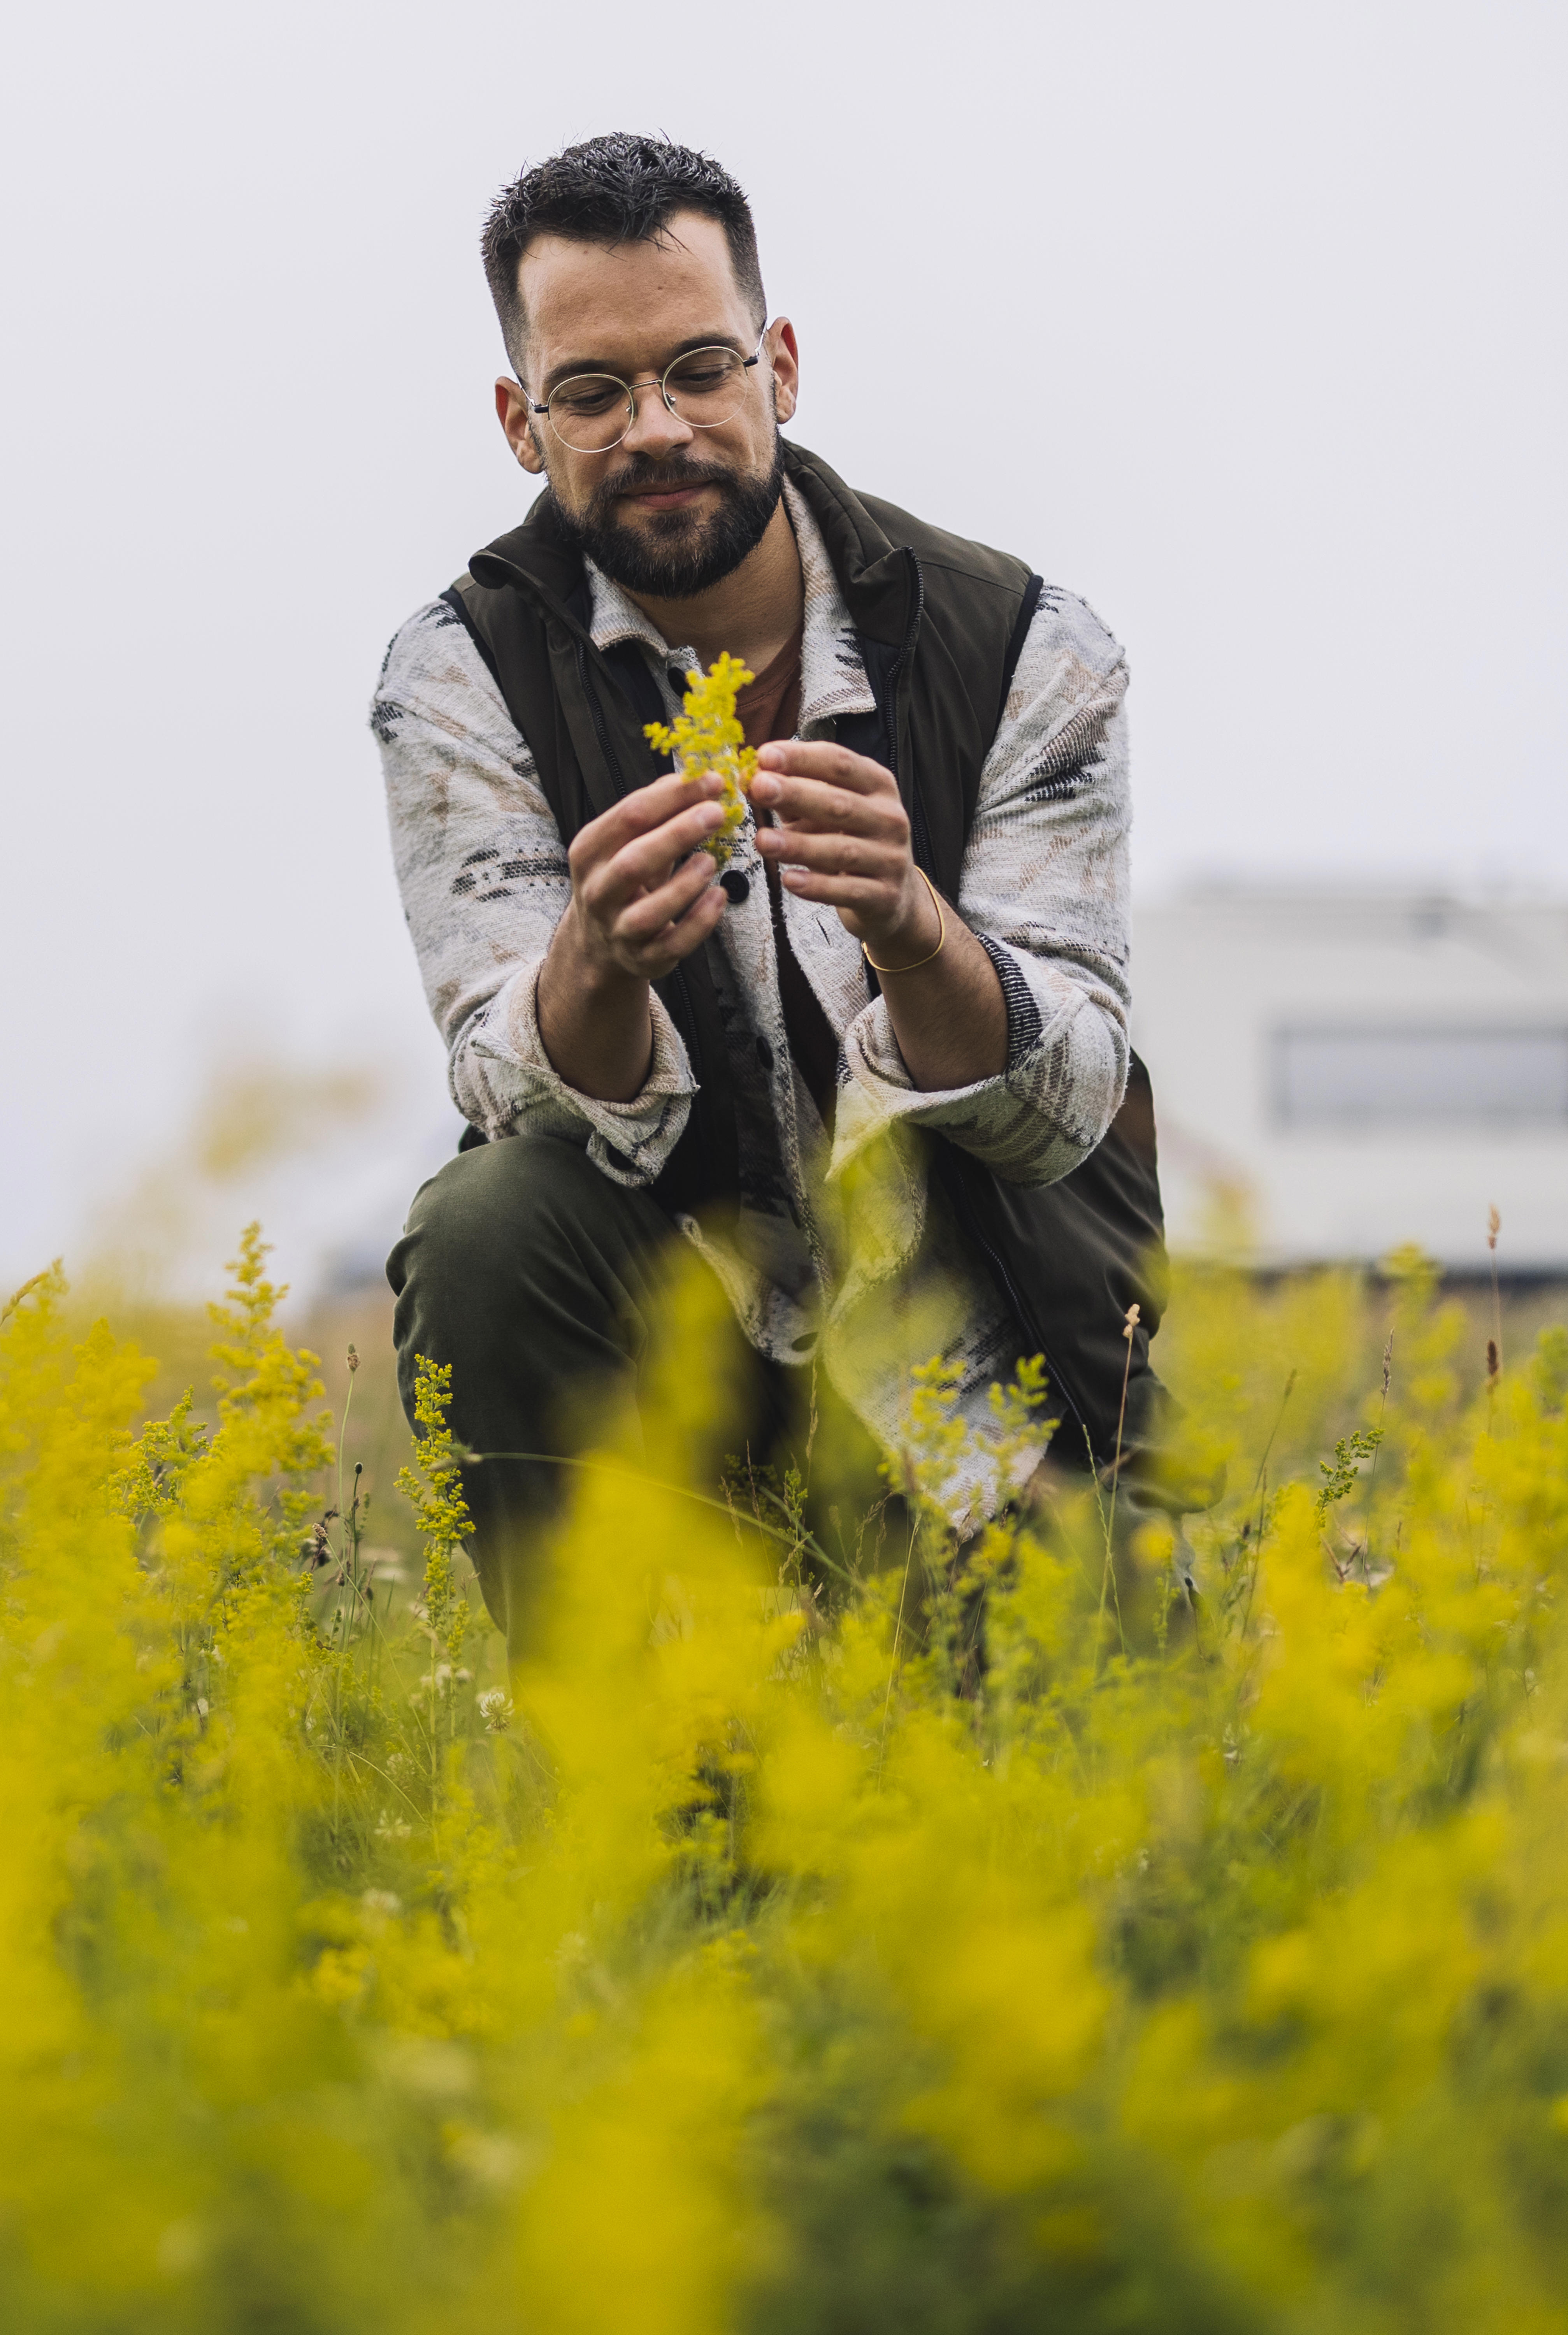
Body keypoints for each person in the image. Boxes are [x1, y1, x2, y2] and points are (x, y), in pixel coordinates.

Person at [374, 133, 1175, 1657]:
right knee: (482, 1227)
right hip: (686, 1361)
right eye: (593, 394)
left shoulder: (1032, 650)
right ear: (519, 422)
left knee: (1094, 1837)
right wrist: (595, 965)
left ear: (781, 366)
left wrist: (911, 926)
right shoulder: (455, 681)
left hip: (982, 1376)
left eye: (698, 369)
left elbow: (1072, 1097)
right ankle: (653, 1805)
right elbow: (499, 1075)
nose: (656, 427)